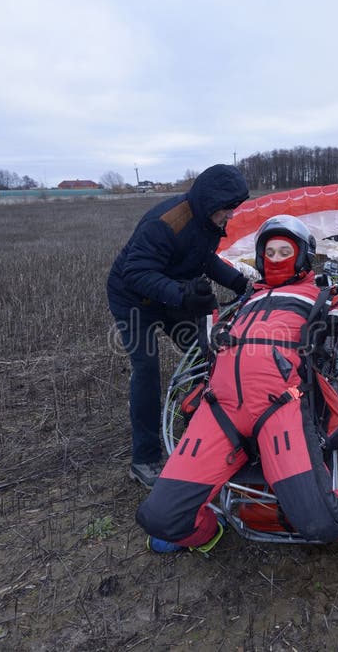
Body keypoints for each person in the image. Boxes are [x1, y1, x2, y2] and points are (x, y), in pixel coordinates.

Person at [135, 215, 338, 573]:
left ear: (302, 257)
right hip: (219, 410)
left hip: (280, 410)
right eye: (270, 251)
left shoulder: (319, 298)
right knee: (159, 518)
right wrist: (205, 310)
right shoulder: (246, 301)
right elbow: (212, 349)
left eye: (286, 250)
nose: (277, 257)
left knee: (319, 522)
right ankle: (207, 533)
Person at [107, 164, 251, 489]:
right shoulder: (166, 223)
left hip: (170, 295)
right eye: (226, 211)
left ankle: (205, 426)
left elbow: (204, 259)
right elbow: (136, 272)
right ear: (210, 202)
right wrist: (183, 295)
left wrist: (240, 283)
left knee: (205, 355)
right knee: (146, 370)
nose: (230, 218)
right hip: (133, 300)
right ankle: (144, 460)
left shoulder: (206, 221)